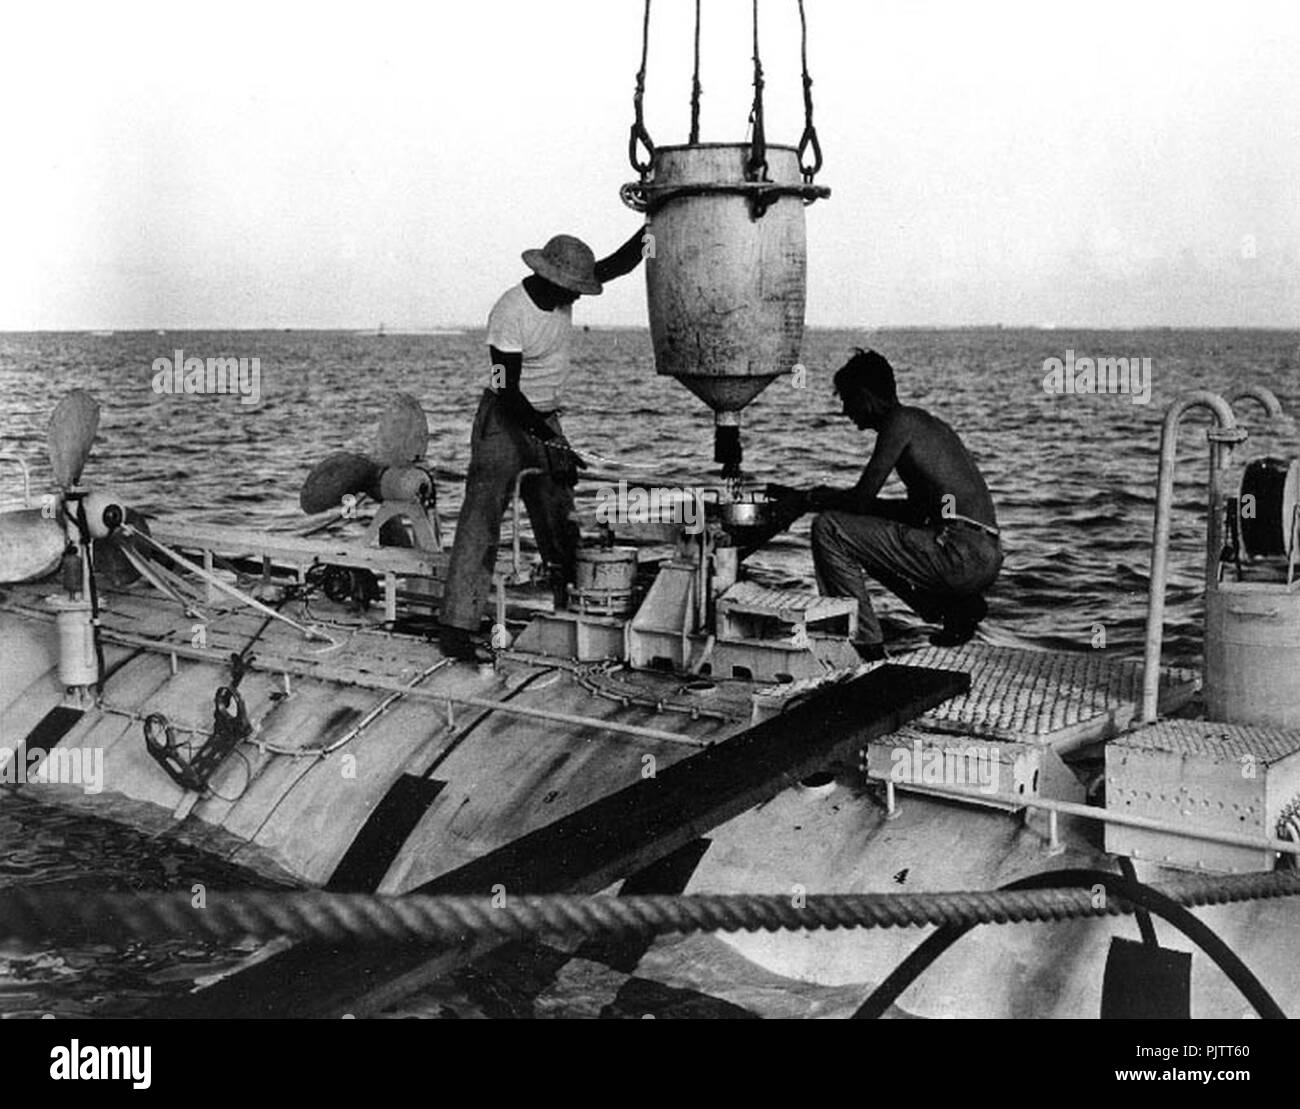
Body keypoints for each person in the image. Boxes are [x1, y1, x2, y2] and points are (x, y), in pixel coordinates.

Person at [439, 229, 644, 662]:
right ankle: (456, 627)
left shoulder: (563, 292)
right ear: (548, 278)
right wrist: (553, 443)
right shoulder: (509, 312)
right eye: (571, 288)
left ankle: (572, 613)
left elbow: (617, 265)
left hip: (545, 415)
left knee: (560, 515)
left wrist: (653, 224)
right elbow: (505, 388)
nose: (576, 296)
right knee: (482, 517)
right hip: (503, 416)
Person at [771, 349, 1002, 659]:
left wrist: (808, 499)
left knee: (828, 528)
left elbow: (860, 500)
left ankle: (864, 645)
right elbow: (909, 514)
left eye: (846, 400)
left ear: (865, 397)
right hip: (981, 555)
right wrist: (816, 498)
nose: (845, 412)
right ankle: (952, 608)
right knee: (859, 535)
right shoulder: (923, 425)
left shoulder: (899, 421)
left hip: (958, 554)